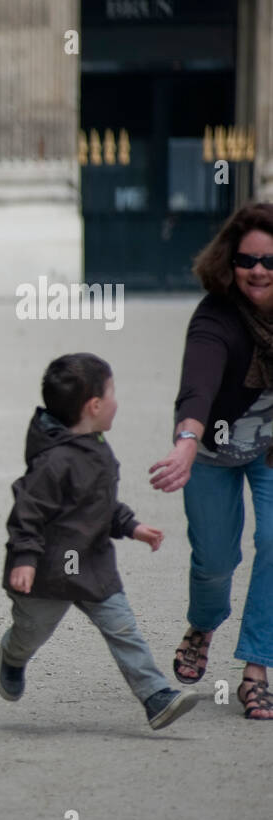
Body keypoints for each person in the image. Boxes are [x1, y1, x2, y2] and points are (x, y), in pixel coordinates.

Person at [0, 353, 197, 730]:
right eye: (113, 392)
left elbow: (98, 502)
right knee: (31, 633)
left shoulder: (96, 446)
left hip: (92, 564)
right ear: (94, 406)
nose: (118, 401)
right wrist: (24, 558)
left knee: (124, 629)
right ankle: (12, 655)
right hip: (47, 572)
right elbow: (27, 512)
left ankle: (155, 696)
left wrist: (131, 526)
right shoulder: (54, 462)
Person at [149, 201, 273, 721]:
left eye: (270, 261)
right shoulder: (216, 316)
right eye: (247, 261)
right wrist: (184, 441)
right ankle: (203, 623)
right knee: (215, 562)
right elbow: (197, 385)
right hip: (211, 453)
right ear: (230, 262)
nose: (259, 271)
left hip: (269, 452)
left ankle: (257, 669)